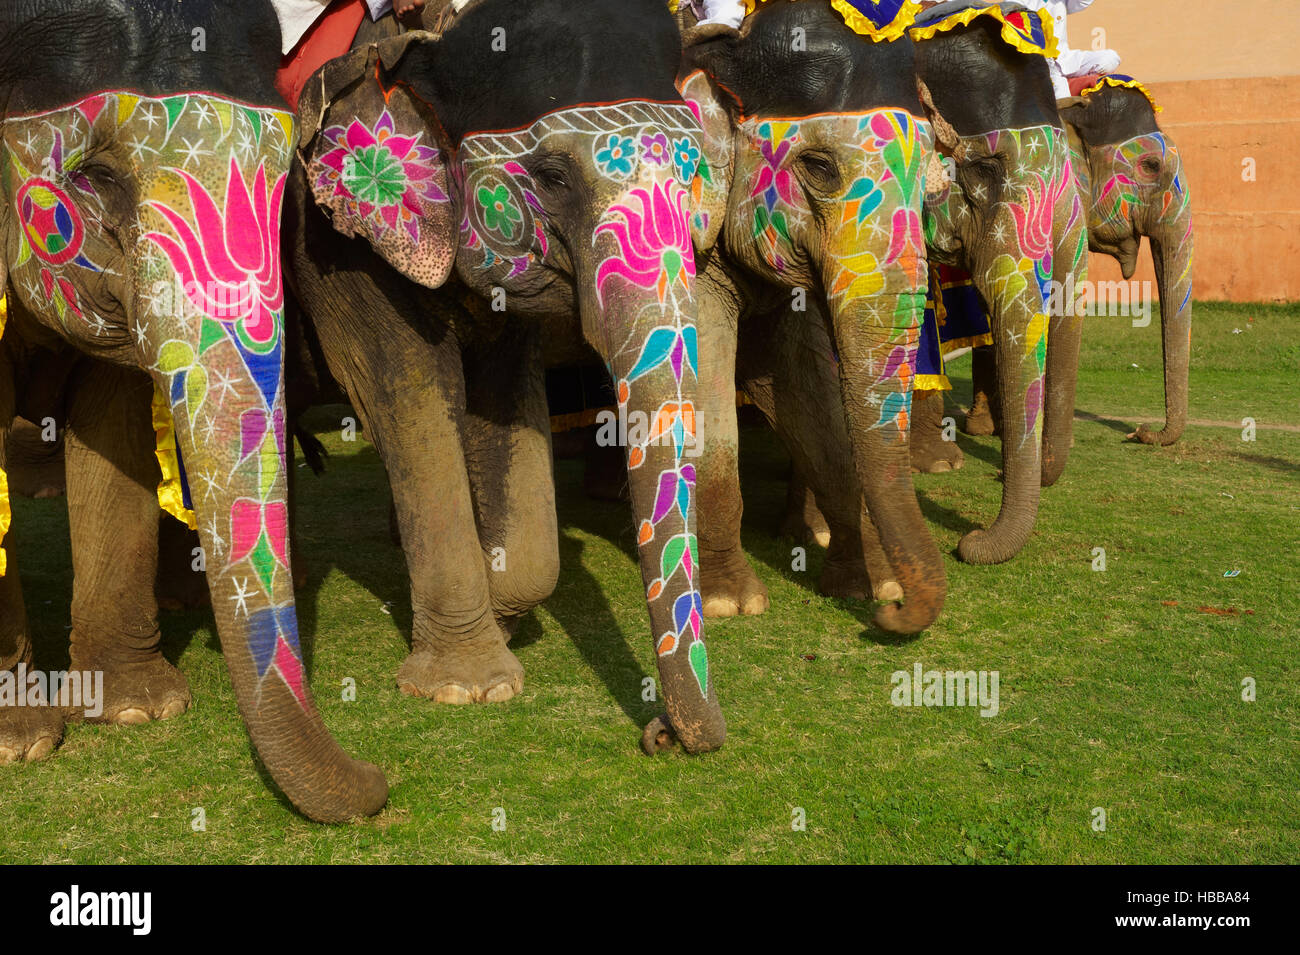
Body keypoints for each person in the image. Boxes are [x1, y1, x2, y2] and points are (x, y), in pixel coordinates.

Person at [1023, 0, 1121, 100]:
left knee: (1110, 59)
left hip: (1065, 58)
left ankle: (1079, 84)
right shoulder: (1019, 2)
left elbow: (1083, 2)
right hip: (1041, 63)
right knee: (1062, 95)